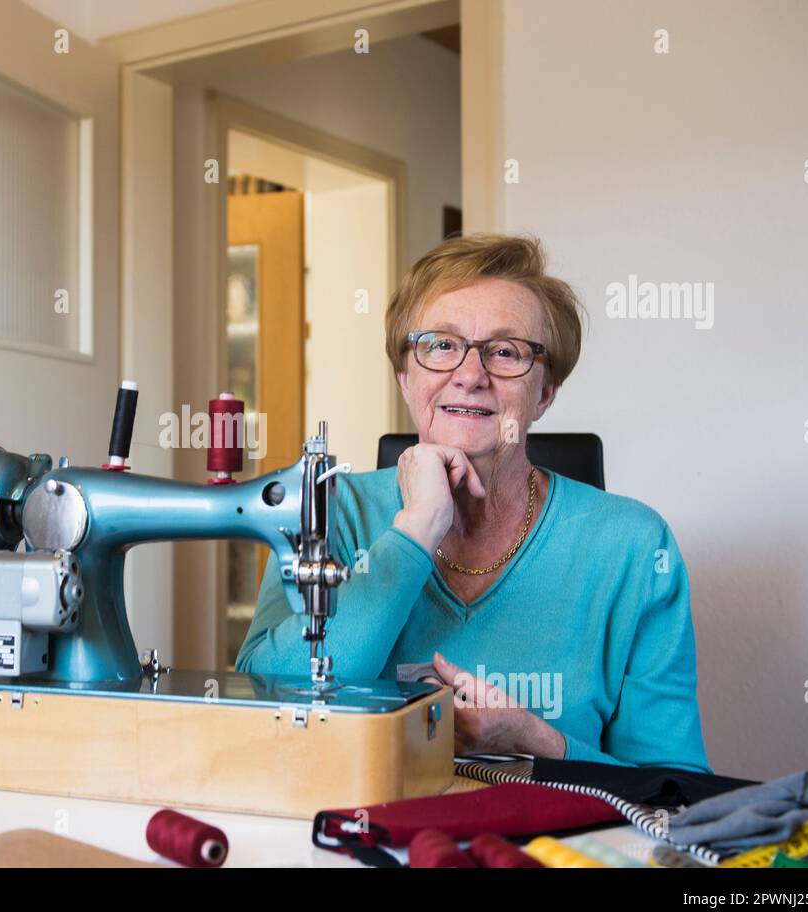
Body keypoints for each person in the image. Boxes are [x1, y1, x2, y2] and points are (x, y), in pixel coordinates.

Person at [236, 234, 711, 772]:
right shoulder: (326, 513)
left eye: (506, 352)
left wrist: (541, 745)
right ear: (405, 376)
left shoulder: (634, 546)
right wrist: (416, 531)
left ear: (545, 392)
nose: (469, 374)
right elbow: (266, 714)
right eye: (440, 345)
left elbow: (676, 790)